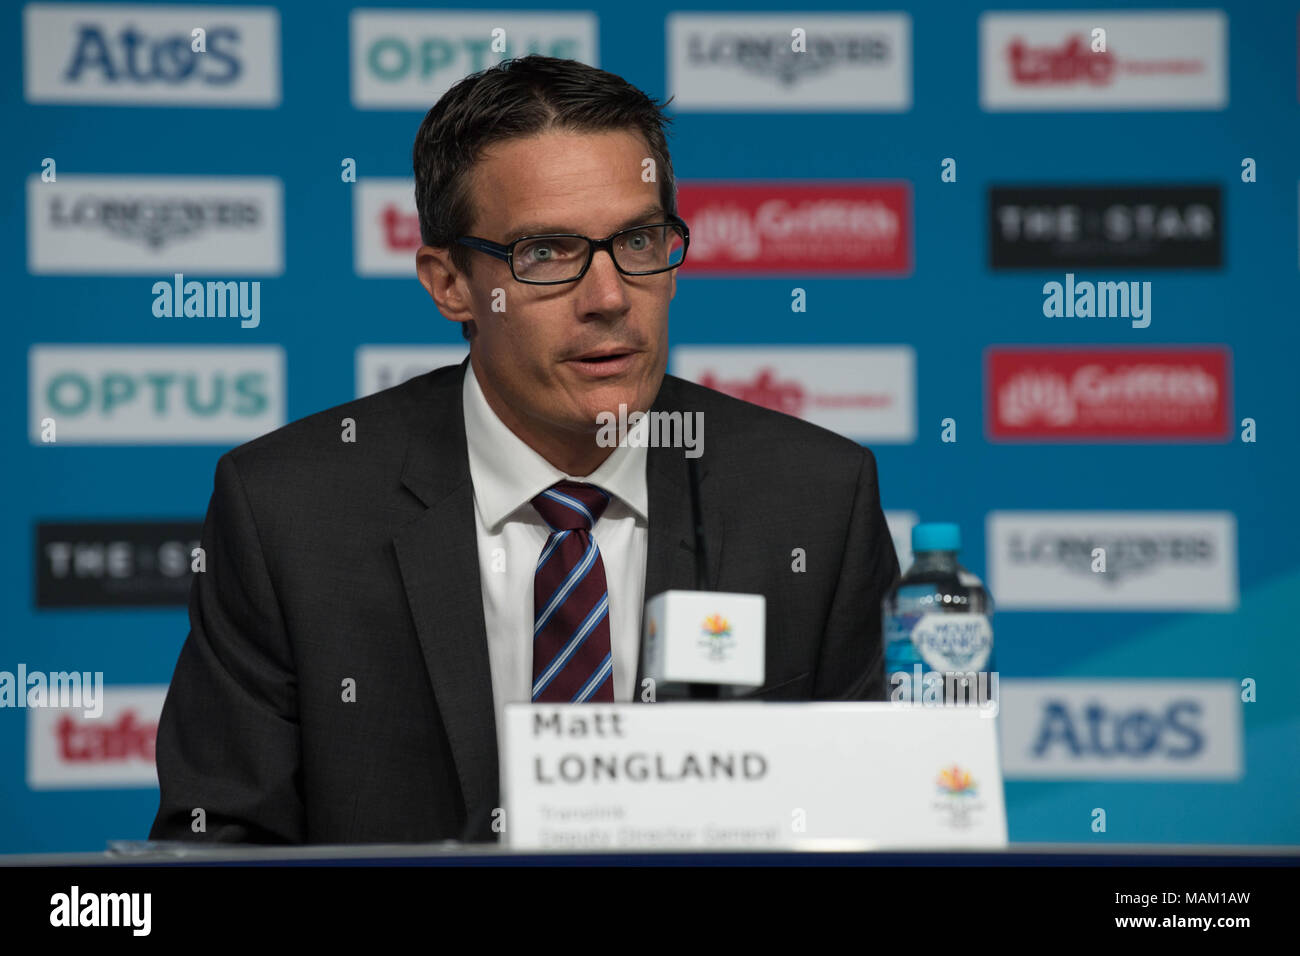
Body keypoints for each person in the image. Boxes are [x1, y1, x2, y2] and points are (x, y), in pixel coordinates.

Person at [150, 55, 899, 845]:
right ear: (450, 285)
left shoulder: (813, 500)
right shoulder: (289, 513)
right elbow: (218, 844)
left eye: (639, 240)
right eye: (545, 253)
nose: (609, 297)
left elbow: (875, 829)